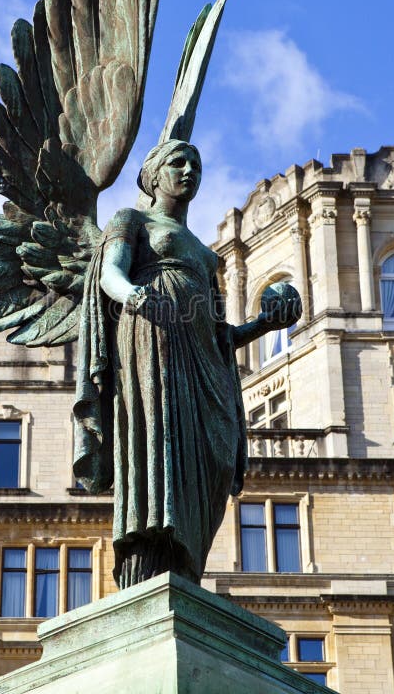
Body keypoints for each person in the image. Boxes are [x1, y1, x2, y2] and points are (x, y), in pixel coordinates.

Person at [73, 139, 295, 588]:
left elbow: (221, 336)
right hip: (151, 337)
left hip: (202, 360)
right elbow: (110, 273)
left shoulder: (205, 253)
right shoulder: (131, 220)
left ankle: (187, 567)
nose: (189, 170)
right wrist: (134, 296)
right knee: (162, 444)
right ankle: (149, 562)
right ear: (153, 176)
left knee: (214, 458)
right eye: (178, 162)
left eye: (196, 164)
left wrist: (264, 325)